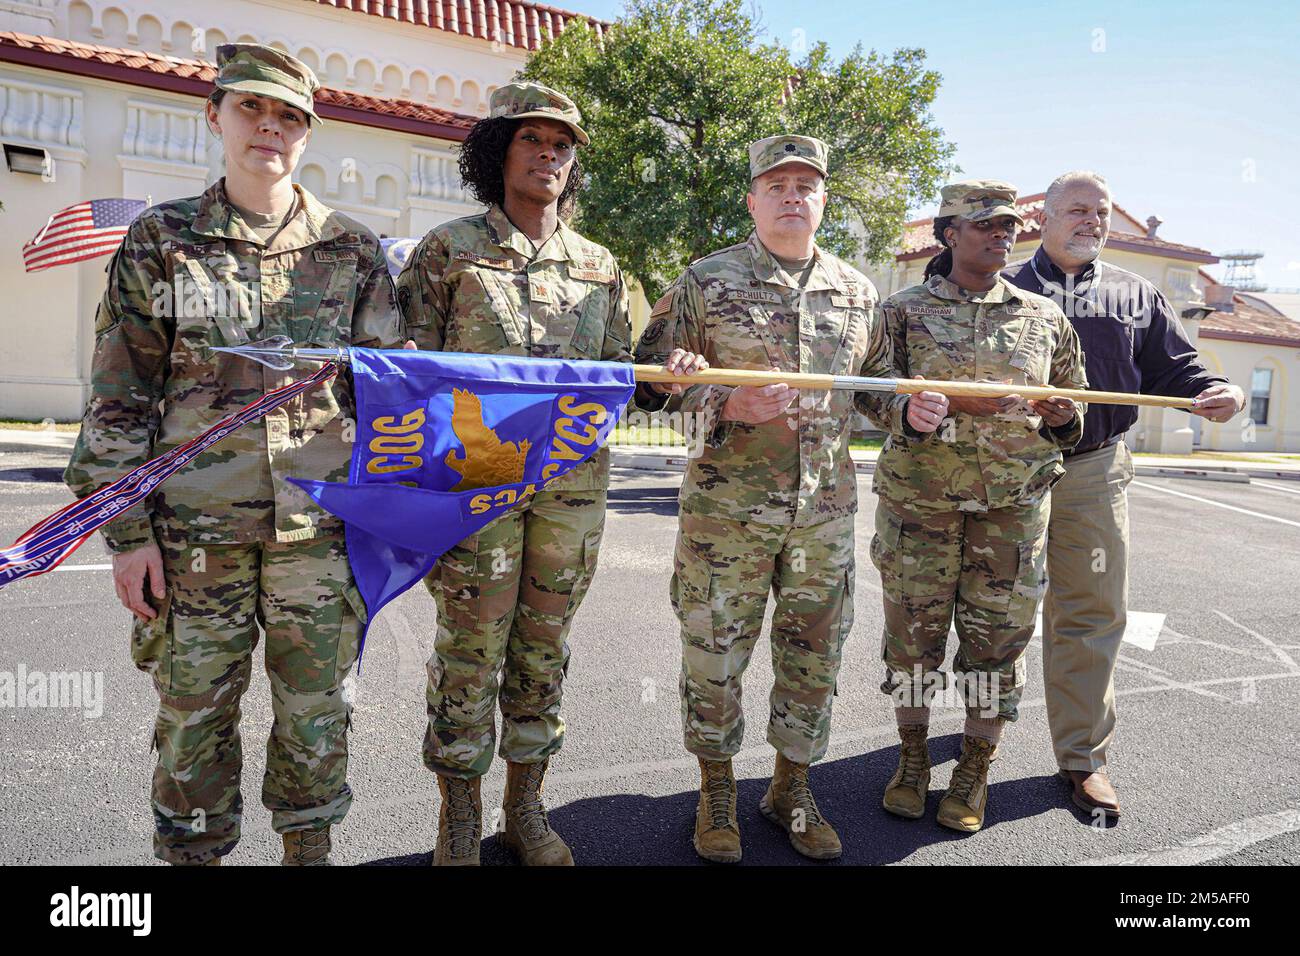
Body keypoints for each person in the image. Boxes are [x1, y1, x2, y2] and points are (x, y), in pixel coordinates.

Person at [63, 44, 404, 865]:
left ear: (309, 135)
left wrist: (390, 516)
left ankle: (308, 849)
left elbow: (391, 395)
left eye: (289, 116)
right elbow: (119, 395)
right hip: (192, 538)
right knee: (192, 715)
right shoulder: (162, 241)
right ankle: (194, 857)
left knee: (318, 709)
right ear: (213, 115)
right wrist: (127, 535)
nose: (269, 129)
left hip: (317, 538)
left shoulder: (352, 250)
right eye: (251, 108)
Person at [396, 81, 704, 866]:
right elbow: (405, 372)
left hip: (570, 492)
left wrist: (663, 376)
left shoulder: (600, 267)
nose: (549, 155)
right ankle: (458, 813)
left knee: (543, 647)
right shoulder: (448, 250)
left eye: (562, 145)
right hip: (474, 488)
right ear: (498, 152)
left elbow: (619, 380)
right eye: (532, 139)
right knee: (469, 648)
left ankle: (525, 807)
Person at [634, 135, 948, 863]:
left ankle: (790, 787)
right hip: (727, 518)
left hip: (824, 517)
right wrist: (720, 403)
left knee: (814, 658)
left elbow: (878, 388)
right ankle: (717, 789)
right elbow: (649, 385)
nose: (791, 195)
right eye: (776, 184)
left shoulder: (857, 290)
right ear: (751, 198)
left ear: (823, 201)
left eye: (806, 185)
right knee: (714, 656)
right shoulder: (704, 281)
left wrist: (911, 414)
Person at [1003, 171, 1244, 819]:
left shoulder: (1135, 296)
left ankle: (1081, 760)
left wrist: (1226, 392)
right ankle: (974, 744)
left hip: (1095, 470)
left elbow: (1181, 370)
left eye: (1101, 212)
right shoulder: (1001, 291)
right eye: (1077, 210)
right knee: (993, 610)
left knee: (1091, 611)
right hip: (1005, 470)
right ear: (1044, 220)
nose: (1092, 221)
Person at [867, 180, 1087, 834]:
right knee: (912, 642)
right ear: (948, 234)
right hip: (919, 509)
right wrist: (904, 409)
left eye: (1009, 224)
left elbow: (1074, 406)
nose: (1002, 235)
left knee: (997, 645)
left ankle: (975, 768)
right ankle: (911, 759)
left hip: (1012, 516)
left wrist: (1063, 415)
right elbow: (867, 393)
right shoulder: (902, 311)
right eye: (985, 224)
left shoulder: (1044, 317)